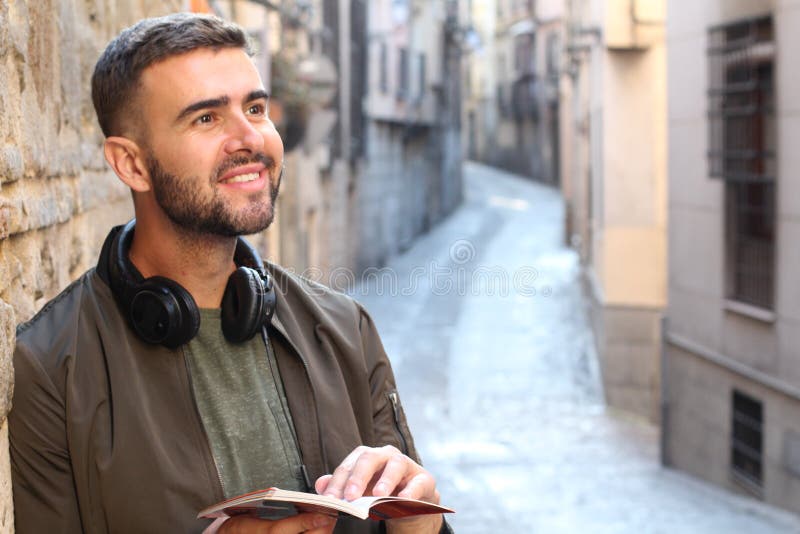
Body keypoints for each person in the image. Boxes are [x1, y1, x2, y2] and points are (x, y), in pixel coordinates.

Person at [9, 13, 449, 534]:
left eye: (256, 108)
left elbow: (407, 510)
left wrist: (419, 524)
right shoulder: (54, 365)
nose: (251, 138)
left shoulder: (345, 328)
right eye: (206, 119)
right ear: (131, 165)